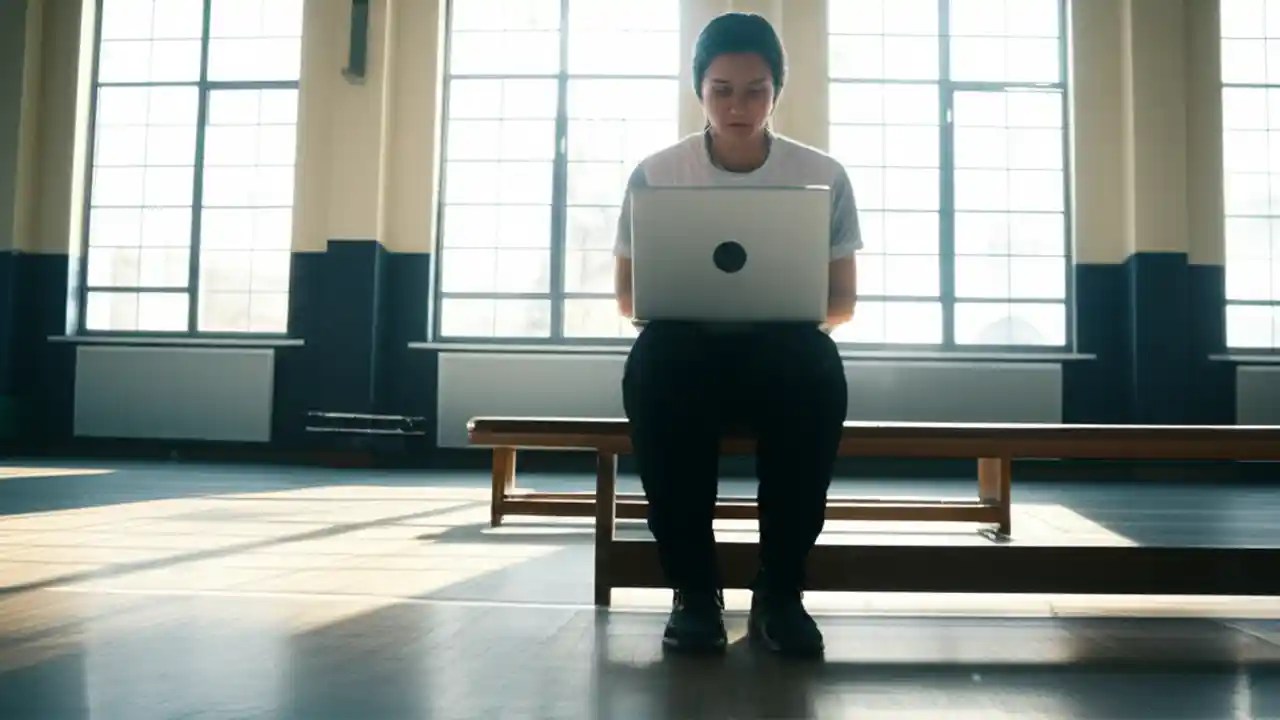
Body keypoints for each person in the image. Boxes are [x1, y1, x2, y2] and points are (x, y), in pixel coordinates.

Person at [612, 12, 860, 657]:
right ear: (700, 91)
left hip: (779, 353)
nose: (738, 104)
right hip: (688, 352)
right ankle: (695, 592)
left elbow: (841, 302)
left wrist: (786, 312)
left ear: (778, 90)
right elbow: (628, 296)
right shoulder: (657, 173)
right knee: (658, 360)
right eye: (722, 88)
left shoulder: (823, 174)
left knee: (813, 364)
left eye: (755, 89)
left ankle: (780, 593)